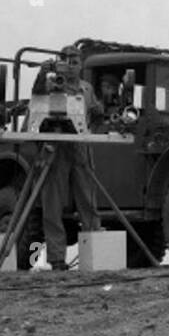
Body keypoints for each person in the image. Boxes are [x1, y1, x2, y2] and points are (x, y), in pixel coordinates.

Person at [34, 49, 102, 271]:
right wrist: (43, 75)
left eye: (75, 62)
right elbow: (36, 98)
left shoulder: (86, 89)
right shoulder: (53, 83)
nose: (71, 66)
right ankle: (56, 258)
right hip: (56, 145)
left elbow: (95, 111)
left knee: (88, 201)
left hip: (80, 147)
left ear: (81, 64)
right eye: (67, 62)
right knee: (53, 203)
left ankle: (95, 254)